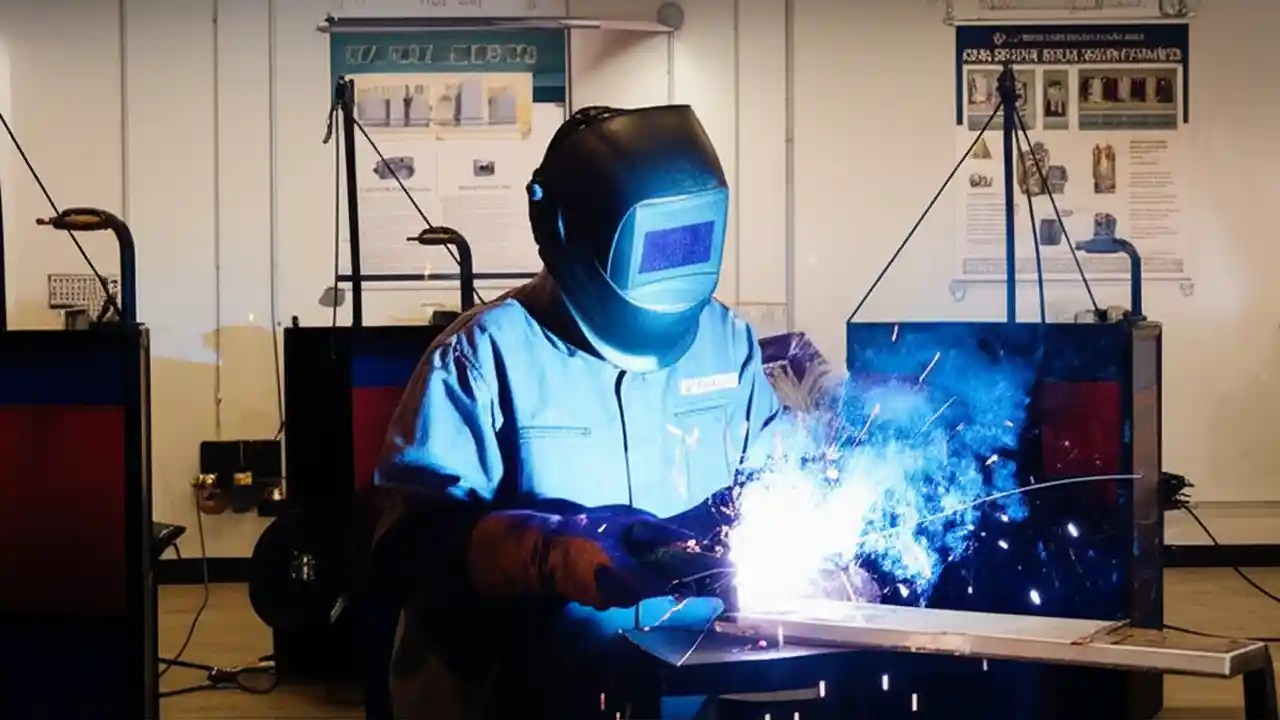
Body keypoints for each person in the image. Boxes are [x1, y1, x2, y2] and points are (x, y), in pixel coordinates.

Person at [372, 105, 783, 720]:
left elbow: (778, 479)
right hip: (519, 699)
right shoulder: (482, 358)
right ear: (565, 227)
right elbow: (406, 554)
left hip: (686, 700)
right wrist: (549, 551)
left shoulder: (725, 342)